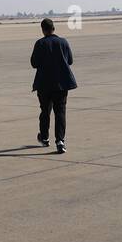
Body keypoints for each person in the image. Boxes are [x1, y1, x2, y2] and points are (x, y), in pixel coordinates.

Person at [30, 18, 76, 154]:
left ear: (43, 30)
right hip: (61, 84)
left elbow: (34, 63)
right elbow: (70, 61)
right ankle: (60, 141)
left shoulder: (40, 43)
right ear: (53, 28)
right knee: (60, 112)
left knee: (45, 111)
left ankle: (44, 137)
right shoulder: (63, 42)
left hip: (44, 84)